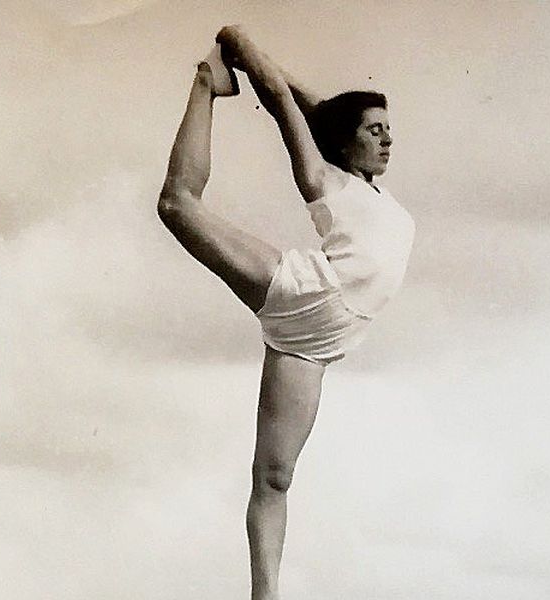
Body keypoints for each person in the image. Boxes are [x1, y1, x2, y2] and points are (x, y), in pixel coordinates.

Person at [156, 25, 415, 600]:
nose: (387, 140)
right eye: (375, 131)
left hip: (318, 344)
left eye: (390, 131)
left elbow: (316, 106)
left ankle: (264, 596)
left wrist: (266, 64)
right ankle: (204, 86)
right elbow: (285, 104)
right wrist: (241, 48)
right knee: (176, 205)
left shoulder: (378, 196)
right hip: (306, 294)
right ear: (347, 144)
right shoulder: (326, 182)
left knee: (274, 478)